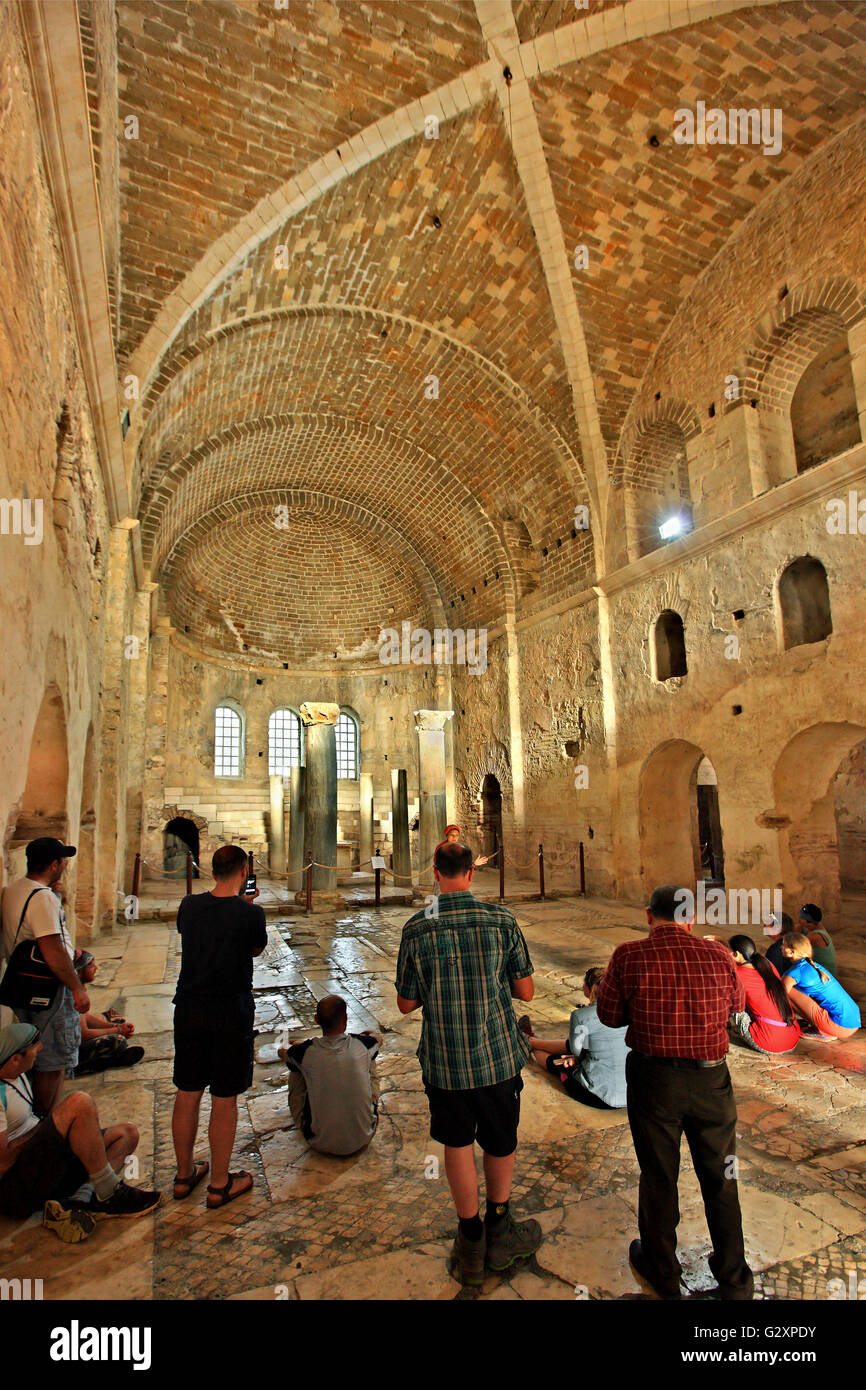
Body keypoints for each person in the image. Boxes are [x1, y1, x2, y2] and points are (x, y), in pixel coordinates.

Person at [596, 884, 753, 1301]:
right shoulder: (719, 954)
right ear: (690, 918)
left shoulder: (629, 955)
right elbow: (736, 1005)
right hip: (710, 1080)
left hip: (655, 1079)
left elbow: (609, 1016)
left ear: (650, 915)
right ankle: (735, 1278)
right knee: (721, 1176)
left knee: (659, 1173)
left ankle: (662, 1268)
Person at [395, 840, 541, 1286]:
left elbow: (405, 1003)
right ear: (471, 874)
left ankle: (471, 1238)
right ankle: (501, 1224)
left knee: (456, 1144)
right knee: (500, 1140)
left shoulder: (418, 927)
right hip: (497, 1057)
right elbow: (527, 991)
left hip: (446, 1061)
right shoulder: (500, 919)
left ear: (435, 873)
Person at [170, 844, 267, 1209]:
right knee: (224, 1099)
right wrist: (249, 906)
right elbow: (255, 950)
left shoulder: (189, 906)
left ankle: (183, 1176)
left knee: (188, 1090)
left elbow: (192, 935)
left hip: (190, 1009)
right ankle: (220, 1184)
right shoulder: (249, 914)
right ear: (244, 872)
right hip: (231, 1012)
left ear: (211, 873)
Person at [0, 1022, 161, 1239]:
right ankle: (109, 1193)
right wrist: (45, 1128)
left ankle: (79, 1200)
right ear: (15, 1058)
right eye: (33, 1046)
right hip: (19, 1187)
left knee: (127, 1134)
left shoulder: (18, 1074)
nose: (39, 1049)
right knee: (79, 1102)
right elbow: (3, 1161)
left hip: (44, 1162)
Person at [0, 838, 90, 1113]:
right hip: (48, 989)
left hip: (24, 984)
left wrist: (56, 897)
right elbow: (52, 949)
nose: (64, 865)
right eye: (63, 861)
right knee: (52, 1063)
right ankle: (45, 1124)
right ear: (54, 865)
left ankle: (37, 1118)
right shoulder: (42, 898)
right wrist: (77, 988)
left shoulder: (15, 890)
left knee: (34, 1055)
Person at [278, 995, 381, 1155]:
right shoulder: (362, 1044)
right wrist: (372, 1034)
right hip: (364, 1136)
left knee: (295, 1066)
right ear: (345, 1019)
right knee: (370, 1058)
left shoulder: (306, 1052)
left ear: (316, 1019)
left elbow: (282, 1052)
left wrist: (295, 1045)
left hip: (319, 1141)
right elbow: (378, 1040)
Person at [520, 966, 629, 1109]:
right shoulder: (628, 1010)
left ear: (588, 990)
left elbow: (575, 1052)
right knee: (578, 1045)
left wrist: (576, 1058)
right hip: (631, 1093)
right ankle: (529, 1040)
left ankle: (528, 1044)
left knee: (558, 1063)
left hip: (598, 1096)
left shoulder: (582, 1016)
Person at [724, 935, 799, 1055]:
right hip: (792, 1037)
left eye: (727, 951)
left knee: (733, 998)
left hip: (769, 1042)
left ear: (736, 954)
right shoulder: (767, 965)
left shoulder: (737, 974)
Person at [73, 951, 145, 1075]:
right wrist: (117, 1031)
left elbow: (86, 1017)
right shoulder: (72, 996)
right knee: (118, 1041)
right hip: (75, 1049)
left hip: (81, 1033)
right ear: (79, 971)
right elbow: (83, 1034)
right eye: (91, 965)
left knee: (114, 1016)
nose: (96, 968)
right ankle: (103, 1062)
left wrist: (116, 1026)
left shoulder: (79, 990)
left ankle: (111, 1054)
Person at [779, 934, 860, 1041]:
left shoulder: (796, 971)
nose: (781, 948)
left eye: (783, 945)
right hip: (852, 1022)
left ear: (792, 952)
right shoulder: (812, 965)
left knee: (783, 991)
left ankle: (823, 1032)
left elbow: (778, 995)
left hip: (840, 1026)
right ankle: (821, 1027)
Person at [796, 904, 838, 974]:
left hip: (826, 974)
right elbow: (795, 929)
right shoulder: (812, 926)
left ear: (808, 922)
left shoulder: (815, 936)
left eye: (801, 918)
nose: (798, 919)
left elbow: (796, 948)